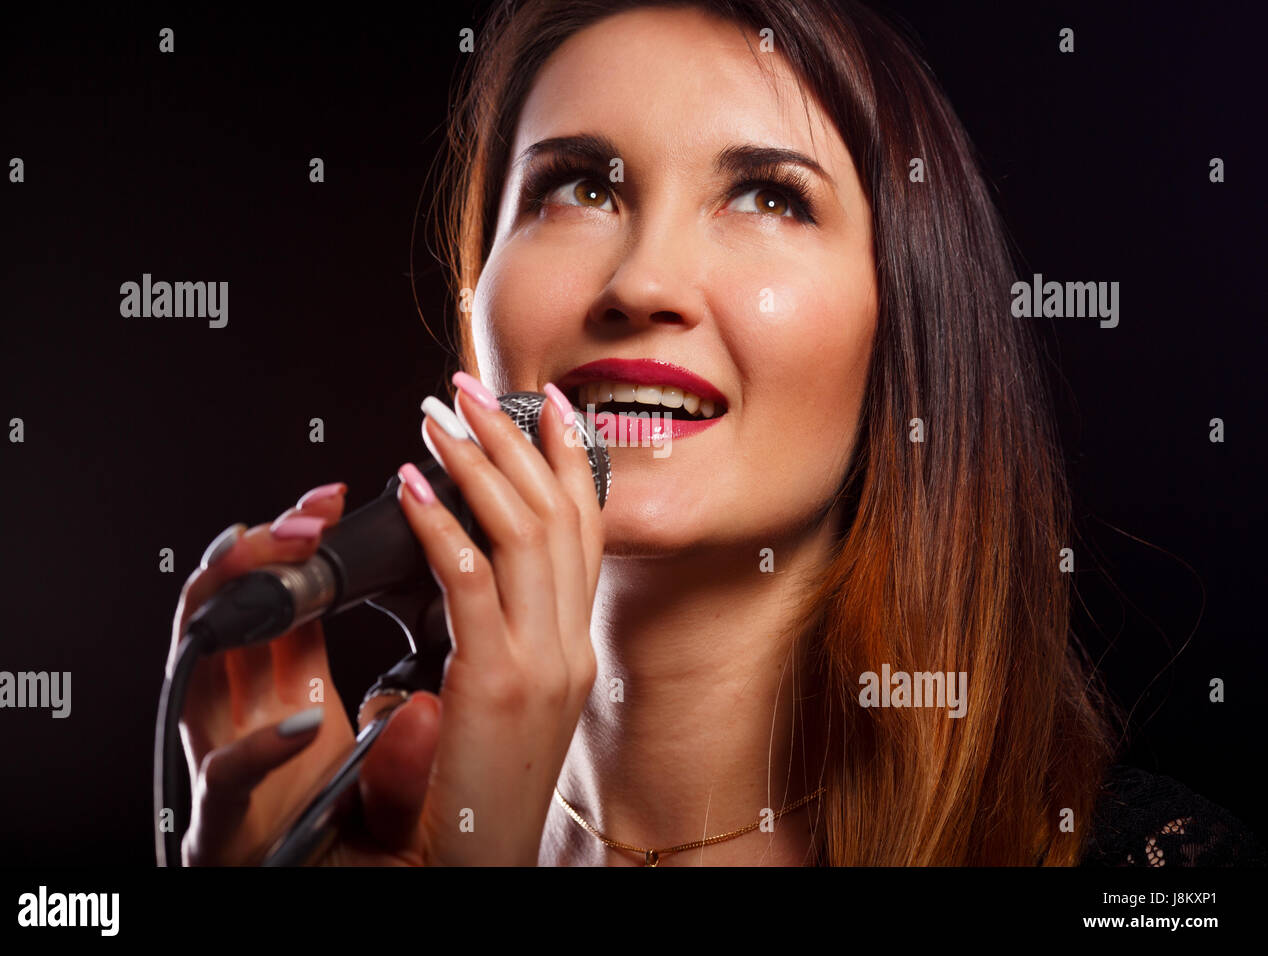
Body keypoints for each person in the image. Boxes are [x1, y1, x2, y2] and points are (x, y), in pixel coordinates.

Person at [168, 0, 1263, 866]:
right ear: (475, 298)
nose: (641, 281)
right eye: (576, 187)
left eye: (768, 199)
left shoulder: (1145, 868)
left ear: (906, 329)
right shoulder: (341, 817)